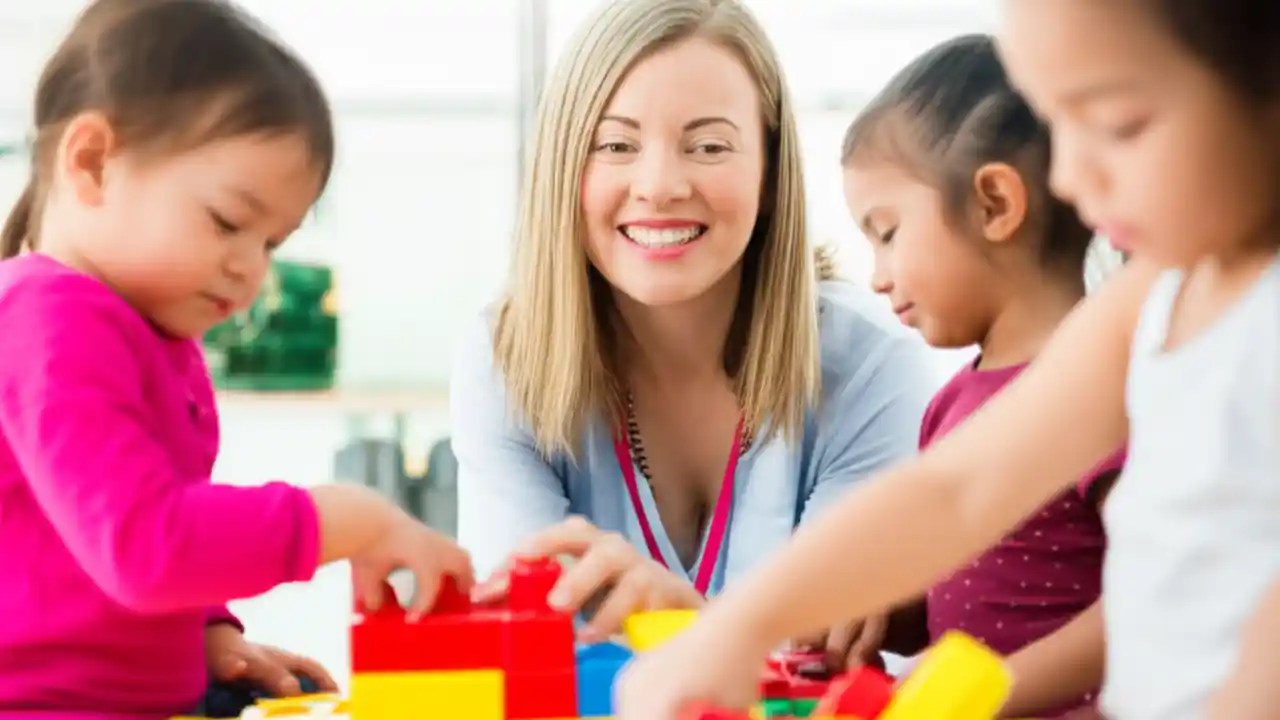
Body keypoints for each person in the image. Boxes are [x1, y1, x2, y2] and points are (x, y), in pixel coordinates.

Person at [614, 0, 1280, 718]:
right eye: (1058, 128)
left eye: (1118, 123)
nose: (1067, 179)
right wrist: (743, 623)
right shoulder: (1151, 301)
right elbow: (958, 490)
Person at [0, 1, 473, 717]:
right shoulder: (50, 321)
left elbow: (94, 544)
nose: (251, 271)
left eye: (271, 243)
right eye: (227, 223)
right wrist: (344, 519)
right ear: (92, 161)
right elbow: (144, 546)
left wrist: (206, 627)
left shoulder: (141, 331)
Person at [450, 0, 936, 643]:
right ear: (564, 168)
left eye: (709, 145)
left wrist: (682, 626)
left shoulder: (871, 366)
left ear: (770, 169)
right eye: (616, 144)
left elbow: (824, 651)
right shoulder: (503, 362)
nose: (658, 185)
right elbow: (523, 644)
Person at [814, 35, 1125, 718]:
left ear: (993, 205)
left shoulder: (1102, 391)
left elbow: (1150, 600)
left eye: (887, 232)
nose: (877, 276)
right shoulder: (953, 403)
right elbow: (969, 596)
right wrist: (883, 613)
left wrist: (972, 698)